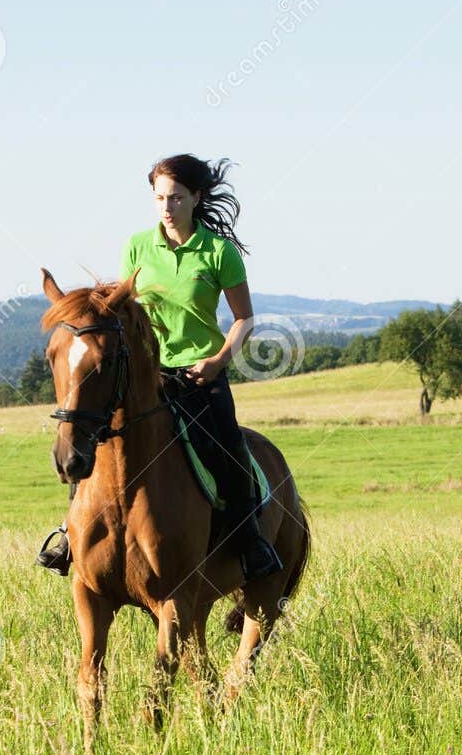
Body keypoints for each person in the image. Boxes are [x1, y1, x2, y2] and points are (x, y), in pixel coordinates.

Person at [36, 154, 283, 582]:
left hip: (199, 376)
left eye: (176, 197)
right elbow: (122, 308)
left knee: (226, 451)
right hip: (146, 375)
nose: (166, 207)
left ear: (197, 198)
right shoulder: (137, 246)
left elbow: (245, 318)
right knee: (95, 440)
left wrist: (219, 359)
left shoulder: (219, 253)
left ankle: (250, 543)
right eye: (159, 198)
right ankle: (72, 534)